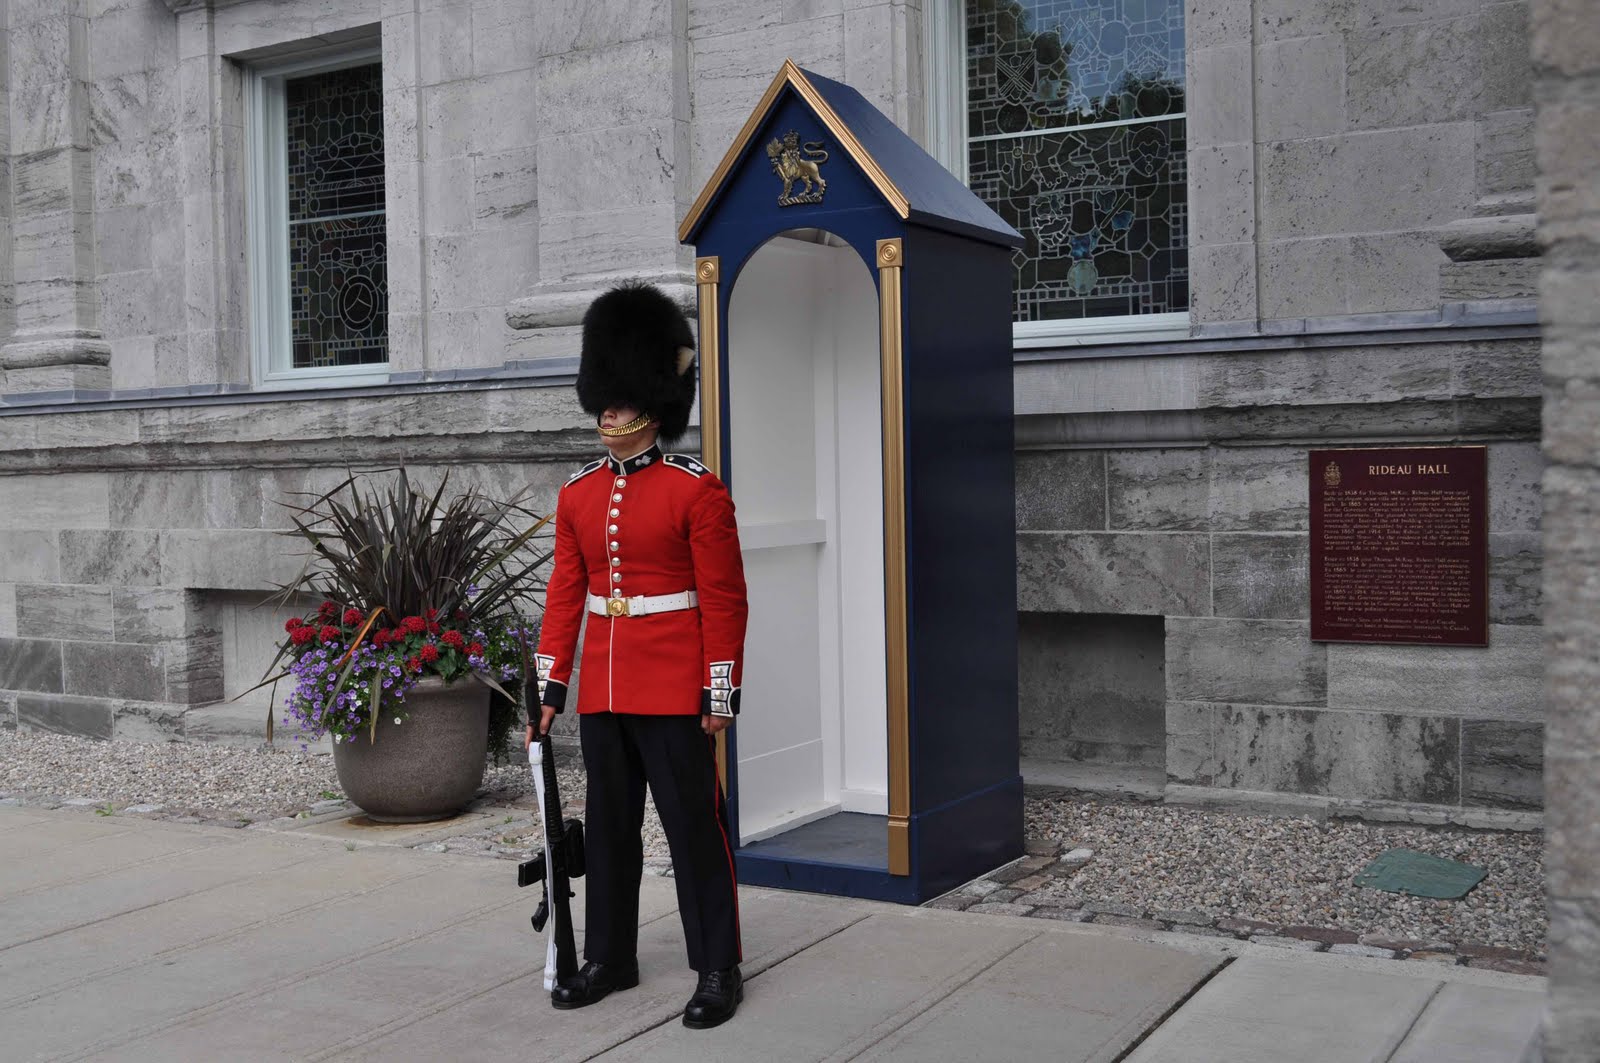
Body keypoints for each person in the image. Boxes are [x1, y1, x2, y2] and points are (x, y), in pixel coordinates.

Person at [525, 281, 748, 1030]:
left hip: (676, 687)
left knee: (693, 829)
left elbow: (723, 600)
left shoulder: (697, 491)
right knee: (611, 830)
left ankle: (717, 964)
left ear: (655, 402)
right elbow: (565, 596)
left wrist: (719, 692)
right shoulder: (579, 496)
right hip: (606, 691)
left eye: (622, 402)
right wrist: (549, 686)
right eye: (605, 402)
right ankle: (610, 957)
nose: (610, 414)